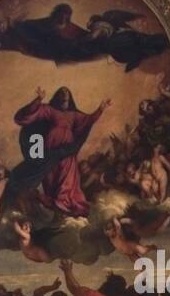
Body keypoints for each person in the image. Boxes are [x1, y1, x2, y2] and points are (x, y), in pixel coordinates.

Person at [11, 86, 110, 217]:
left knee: (67, 175)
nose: (64, 95)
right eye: (62, 93)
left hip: (67, 149)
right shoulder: (50, 110)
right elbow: (32, 113)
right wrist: (38, 99)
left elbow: (88, 120)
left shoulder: (74, 114)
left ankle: (64, 202)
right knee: (51, 174)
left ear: (70, 97)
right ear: (57, 96)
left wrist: (100, 109)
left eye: (67, 93)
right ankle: (54, 202)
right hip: (51, 146)